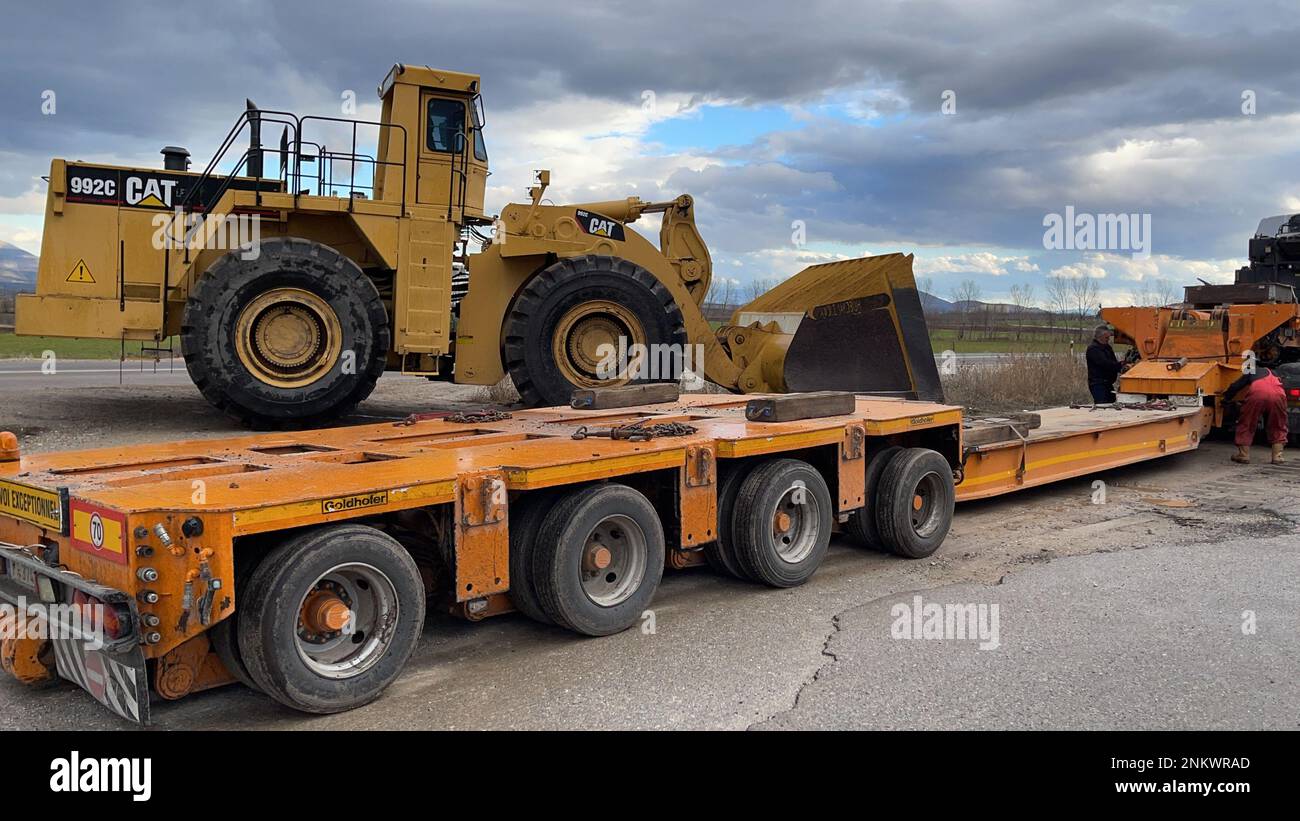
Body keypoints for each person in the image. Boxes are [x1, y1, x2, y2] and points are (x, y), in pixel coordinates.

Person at [1225, 366, 1288, 464]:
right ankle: (1277, 456)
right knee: (1278, 424)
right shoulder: (1276, 374)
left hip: (1258, 393)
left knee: (1247, 422)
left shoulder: (1253, 371)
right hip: (1278, 395)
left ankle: (1243, 455)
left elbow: (1235, 386)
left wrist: (1226, 398)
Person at [1085, 325, 1122, 404]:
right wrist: (1120, 366)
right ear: (1099, 337)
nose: (1108, 339)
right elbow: (1105, 364)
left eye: (1108, 337)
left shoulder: (1107, 347)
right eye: (1106, 338)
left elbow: (1113, 362)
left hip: (1108, 384)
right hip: (1098, 384)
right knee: (1102, 405)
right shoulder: (1093, 349)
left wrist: (1121, 365)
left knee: (1111, 402)